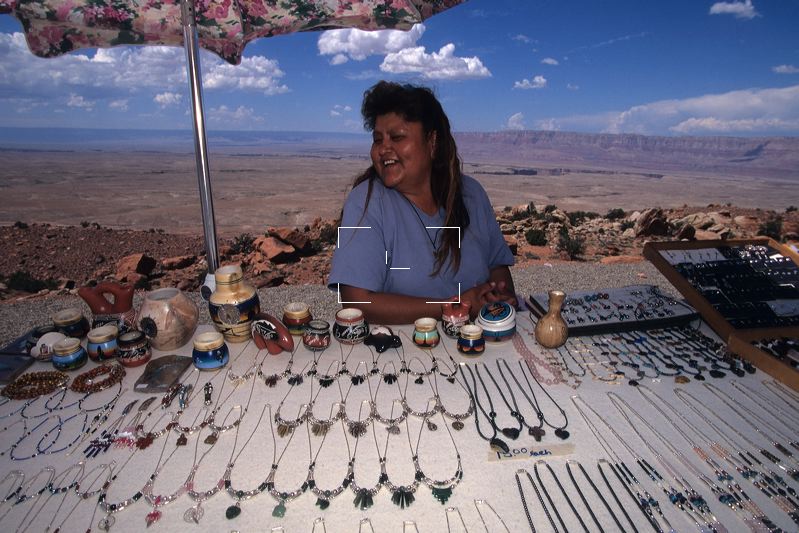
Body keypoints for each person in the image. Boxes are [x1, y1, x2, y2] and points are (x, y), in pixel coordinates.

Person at [328, 81, 517, 324]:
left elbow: (497, 265)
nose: (383, 149)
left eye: (397, 137)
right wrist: (455, 306)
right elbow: (356, 302)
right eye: (377, 139)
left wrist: (498, 294)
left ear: (432, 141)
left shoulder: (471, 194)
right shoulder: (366, 203)